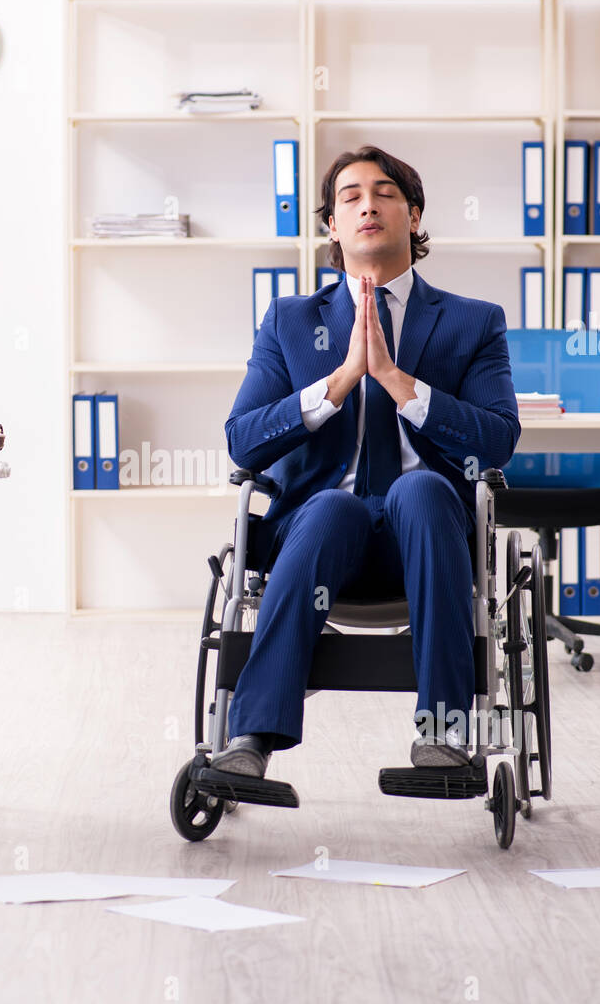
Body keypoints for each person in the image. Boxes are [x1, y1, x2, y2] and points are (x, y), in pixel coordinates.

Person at [212, 144, 520, 778]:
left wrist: (399, 384)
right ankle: (249, 739)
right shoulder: (290, 320)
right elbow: (243, 440)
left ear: (413, 215)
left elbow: (496, 441)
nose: (367, 206)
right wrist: (341, 381)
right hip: (322, 539)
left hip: (428, 539)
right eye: (349, 197)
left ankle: (446, 737)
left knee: (422, 491)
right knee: (331, 507)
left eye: (384, 193)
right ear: (333, 226)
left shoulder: (473, 322)